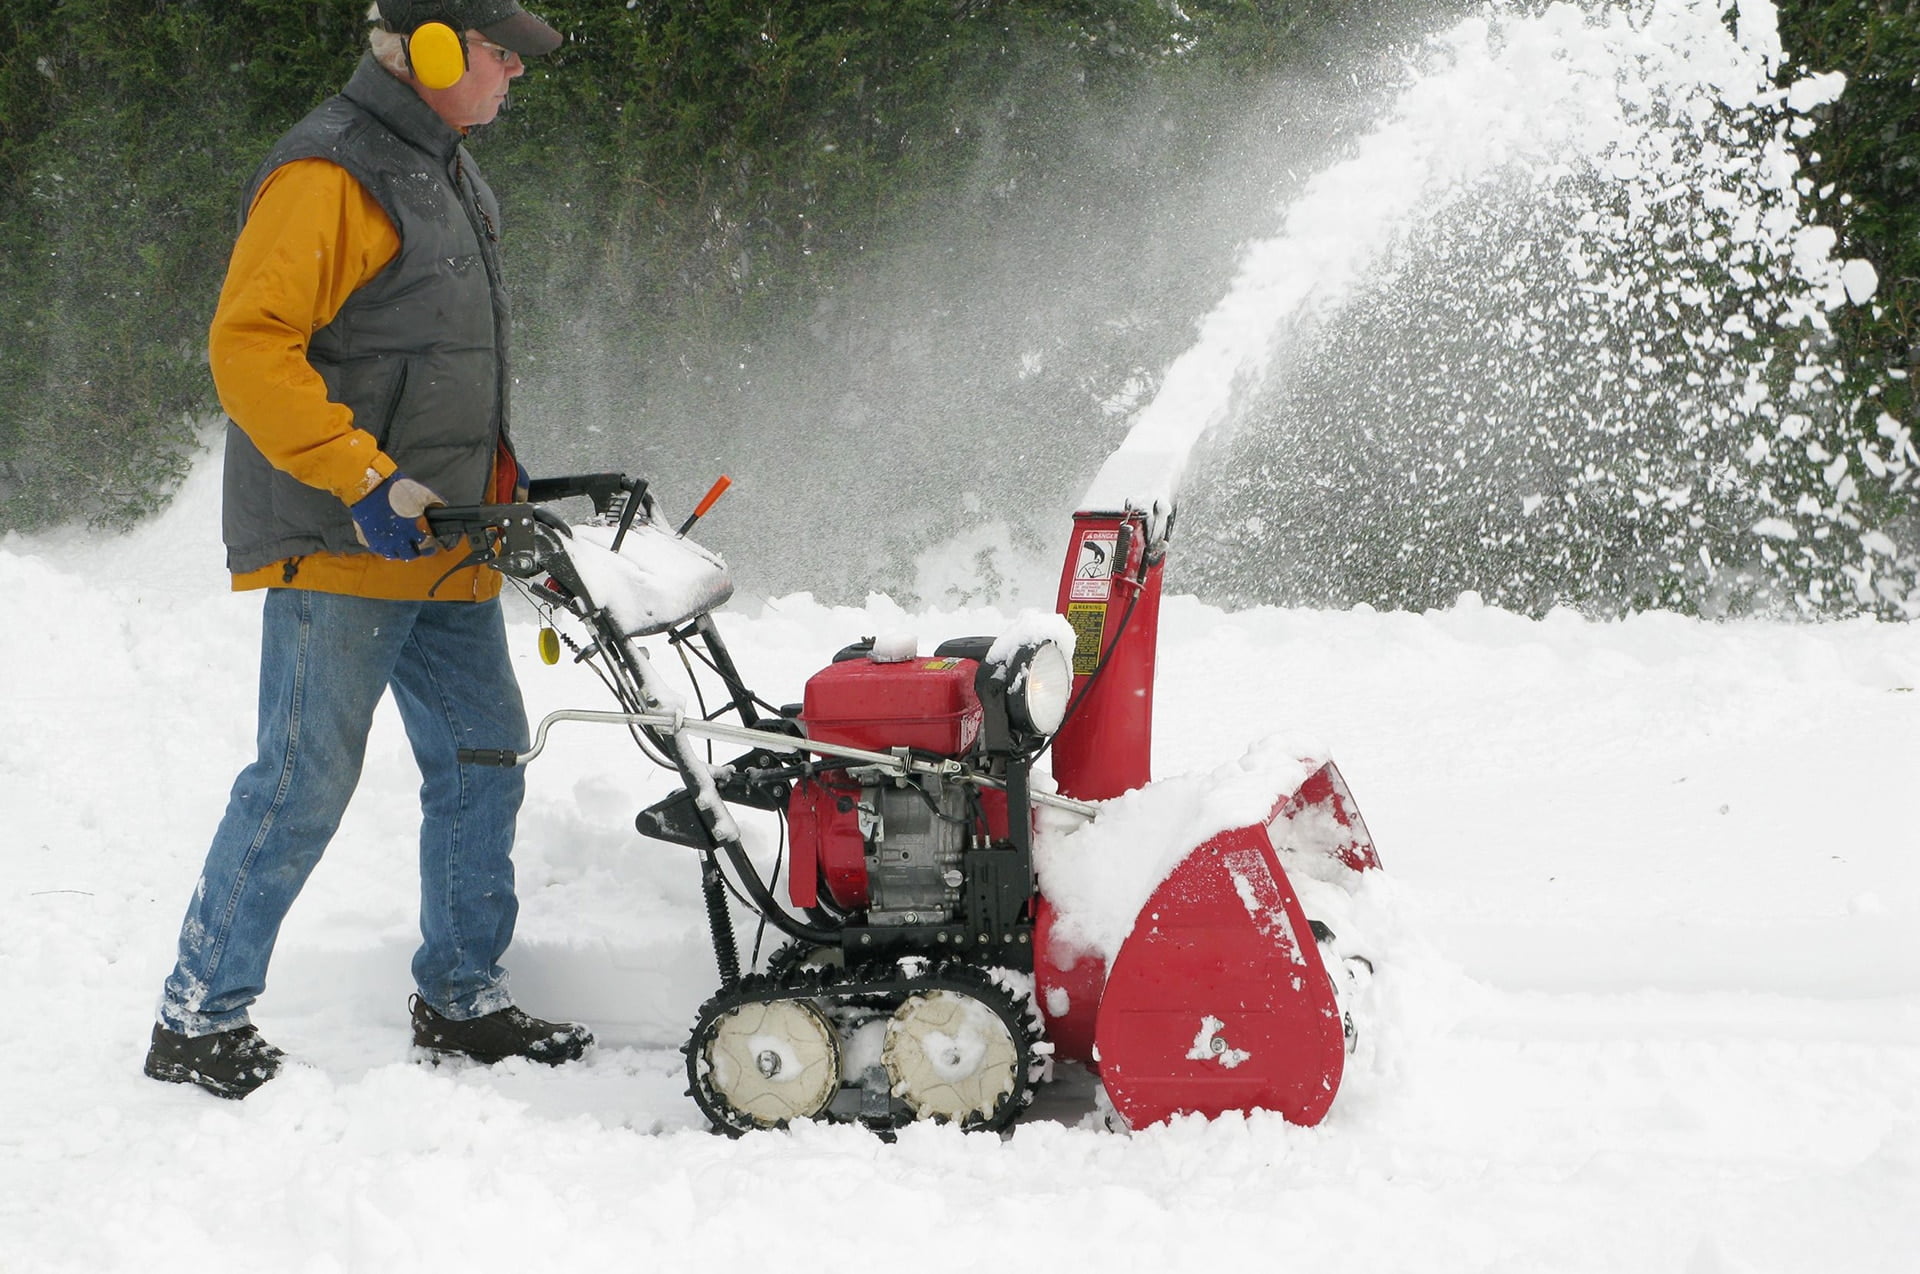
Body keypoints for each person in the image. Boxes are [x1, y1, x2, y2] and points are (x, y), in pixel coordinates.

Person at [145, 0, 592, 1099]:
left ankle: (460, 993)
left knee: (485, 754)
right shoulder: (330, 172)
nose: (512, 78)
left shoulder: (444, 170)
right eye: (500, 56)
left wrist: (498, 476)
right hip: (343, 535)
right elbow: (248, 348)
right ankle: (197, 1016)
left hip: (438, 540)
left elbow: (428, 353)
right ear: (432, 51)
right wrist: (362, 472)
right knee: (301, 778)